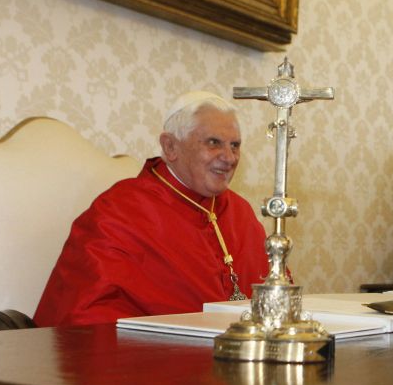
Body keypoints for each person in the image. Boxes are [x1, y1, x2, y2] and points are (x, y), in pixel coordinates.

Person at [34, 91, 269, 326]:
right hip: (162, 357)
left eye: (235, 145)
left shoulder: (240, 212)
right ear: (170, 146)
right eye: (213, 143)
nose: (228, 158)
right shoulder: (120, 211)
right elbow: (88, 318)